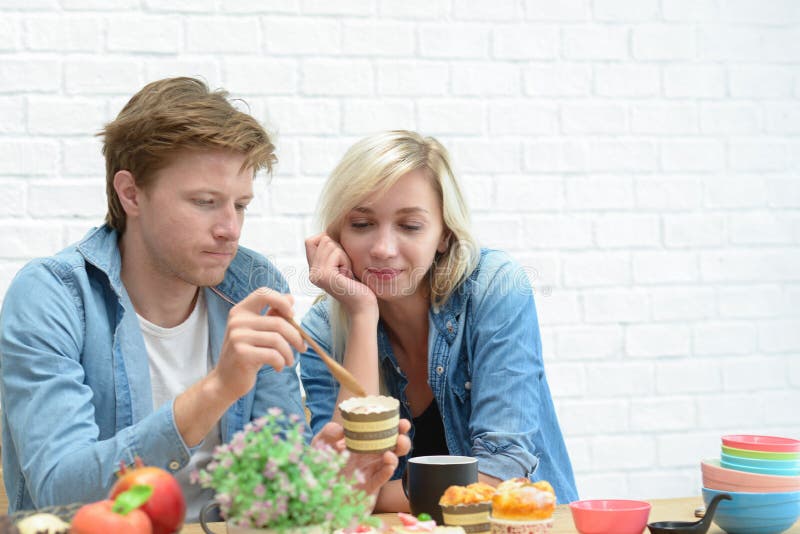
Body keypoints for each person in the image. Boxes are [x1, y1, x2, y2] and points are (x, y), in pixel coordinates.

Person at [0, 78, 410, 518]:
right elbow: (59, 492)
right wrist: (217, 389)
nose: (229, 228)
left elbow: (267, 502)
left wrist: (323, 479)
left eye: (241, 205)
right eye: (205, 201)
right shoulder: (53, 297)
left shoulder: (252, 286)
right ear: (131, 193)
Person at [300, 130, 578, 511]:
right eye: (362, 224)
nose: (382, 249)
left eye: (410, 226)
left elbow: (503, 473)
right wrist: (362, 315)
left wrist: (373, 496)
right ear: (335, 235)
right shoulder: (322, 329)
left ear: (444, 234)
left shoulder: (495, 287)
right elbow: (339, 490)